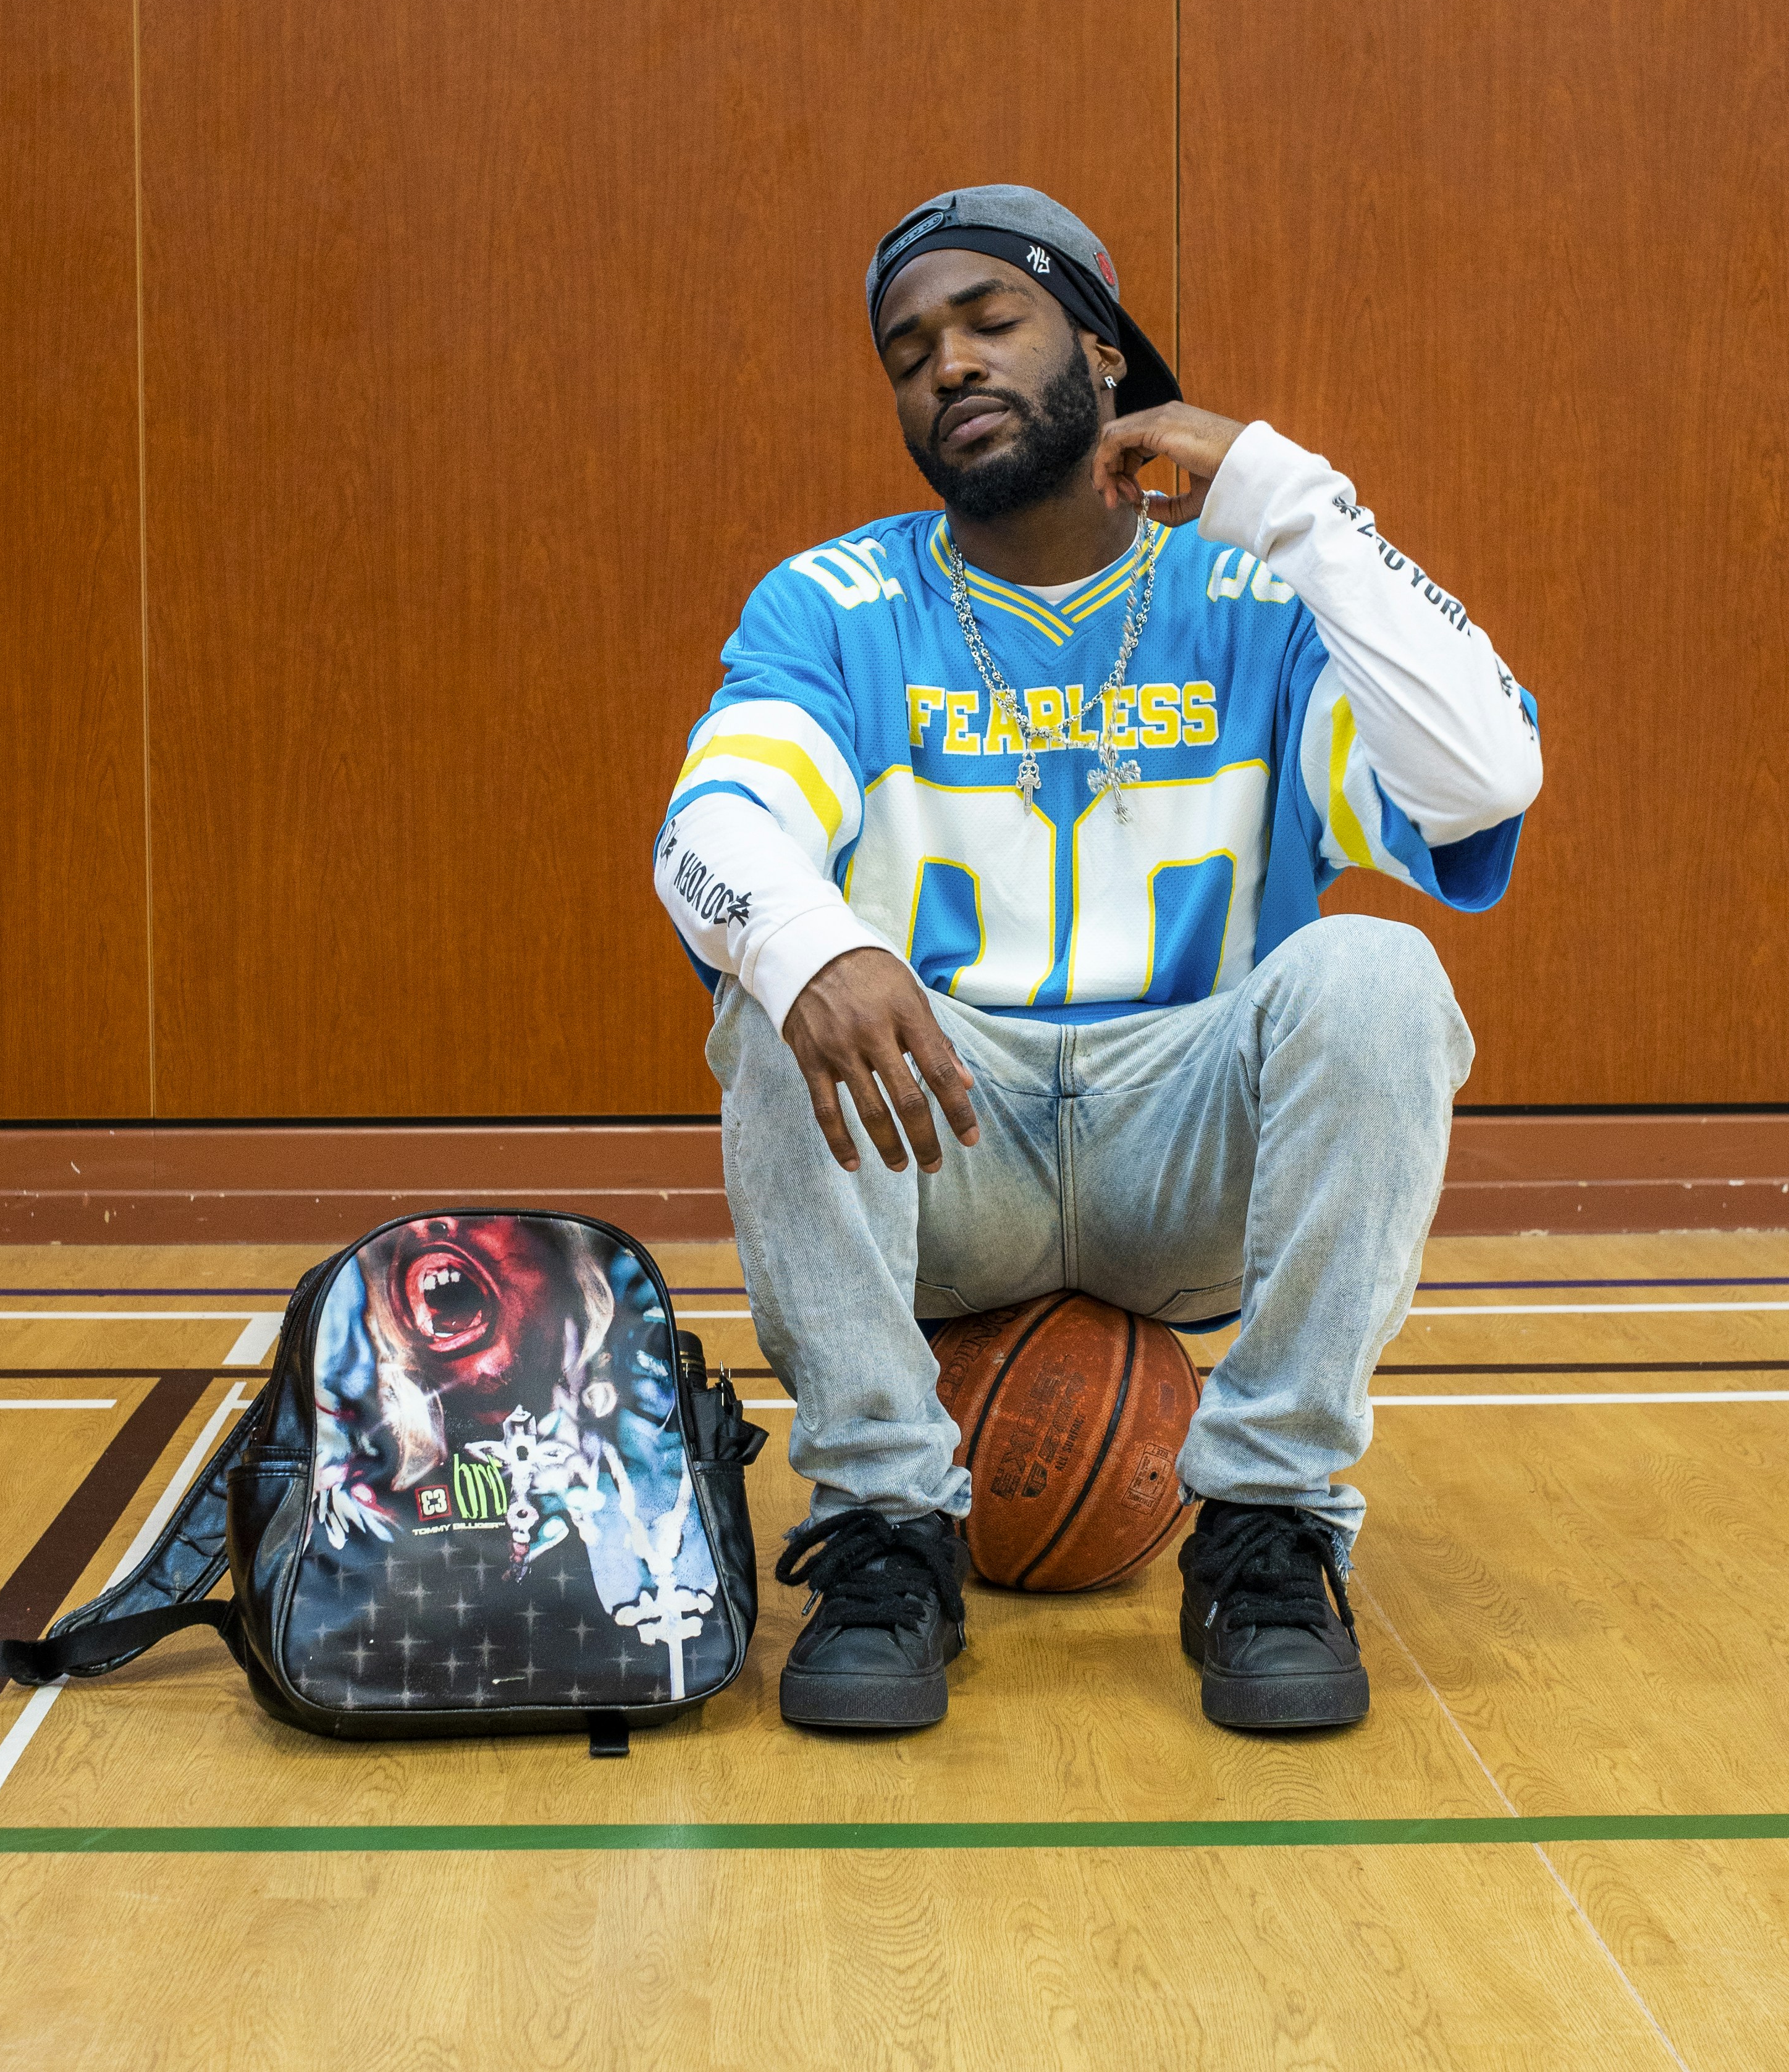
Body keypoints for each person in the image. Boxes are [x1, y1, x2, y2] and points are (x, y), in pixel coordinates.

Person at [654, 185, 1540, 1736]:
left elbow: (1480, 778)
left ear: (1102, 349)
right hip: (945, 1137)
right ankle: (879, 1527)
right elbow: (709, 829)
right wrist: (806, 941)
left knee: (1378, 975)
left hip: (1188, 1145)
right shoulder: (837, 602)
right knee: (773, 975)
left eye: (989, 319)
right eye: (908, 346)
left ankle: (1268, 1525)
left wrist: (1287, 501)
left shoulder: (1257, 596)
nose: (946, 364)